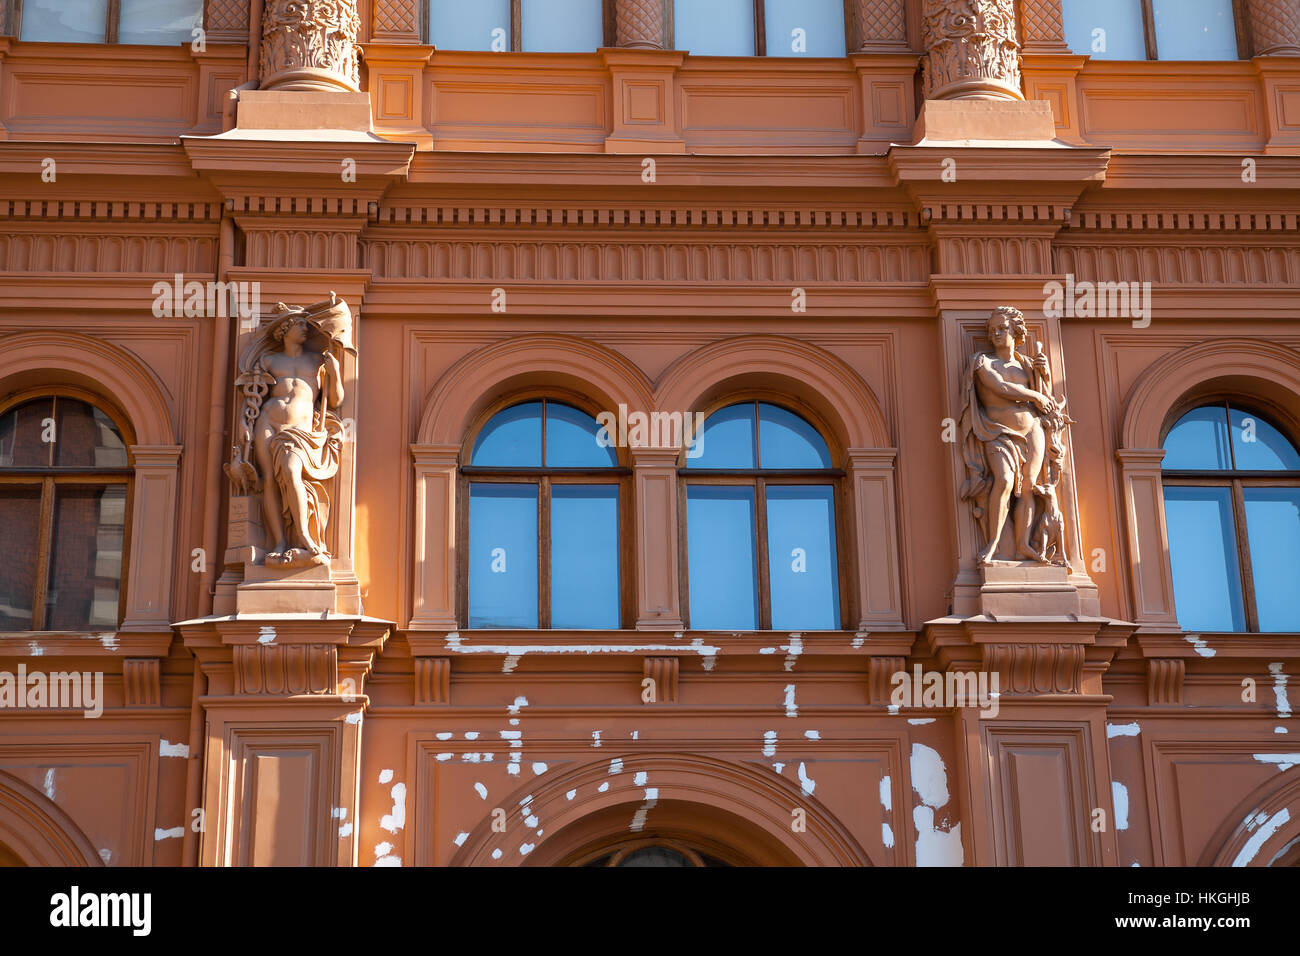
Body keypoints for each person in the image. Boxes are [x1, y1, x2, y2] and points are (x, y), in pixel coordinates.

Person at [958, 306, 1056, 566]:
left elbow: (1045, 402)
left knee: (1028, 486)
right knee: (1003, 481)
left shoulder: (1026, 363)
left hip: (1032, 429)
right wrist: (1034, 394)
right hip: (997, 431)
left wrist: (1042, 375)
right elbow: (999, 387)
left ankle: (1023, 544)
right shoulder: (981, 361)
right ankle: (993, 545)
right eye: (993, 331)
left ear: (1016, 331)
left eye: (1002, 329)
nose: (996, 334)